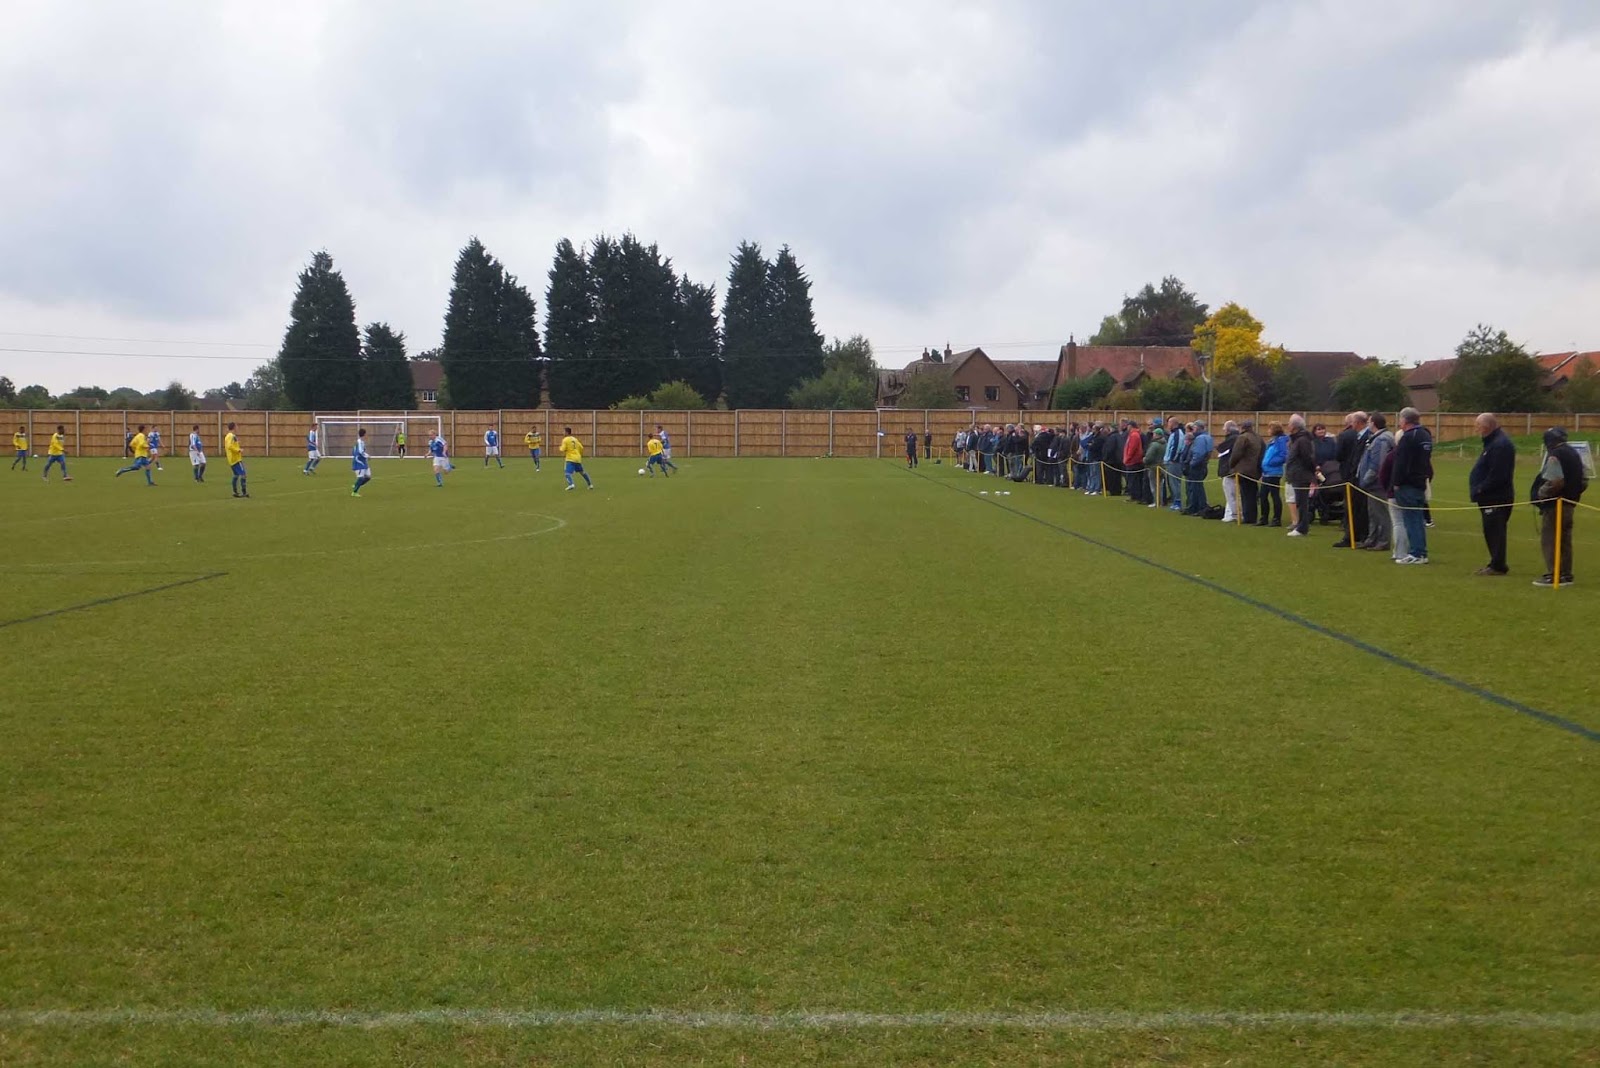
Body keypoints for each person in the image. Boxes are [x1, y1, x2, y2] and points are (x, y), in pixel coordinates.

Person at [1531, 427, 1585, 587]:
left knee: (1550, 539)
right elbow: (1584, 481)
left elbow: (1555, 481)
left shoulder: (1555, 455)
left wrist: (1541, 494)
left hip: (1555, 505)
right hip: (1570, 503)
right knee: (1565, 540)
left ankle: (1554, 574)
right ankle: (1566, 574)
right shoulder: (1574, 453)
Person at [1467, 413, 1516, 576]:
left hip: (1496, 497)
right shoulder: (1492, 443)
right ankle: (1495, 562)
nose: (1476, 429)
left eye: (1478, 425)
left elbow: (1498, 475)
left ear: (1486, 426)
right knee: (1491, 530)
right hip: (1489, 496)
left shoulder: (1500, 445)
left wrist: (1480, 488)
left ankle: (1498, 565)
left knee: (1495, 530)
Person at [1391, 407, 1432, 564]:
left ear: (1405, 420)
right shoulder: (1425, 435)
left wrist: (1396, 482)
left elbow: (1401, 462)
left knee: (1411, 519)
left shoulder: (1409, 437)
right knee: (1418, 519)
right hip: (1420, 481)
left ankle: (1417, 553)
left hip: (1408, 483)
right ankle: (1420, 551)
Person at [1356, 413, 1394, 552]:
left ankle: (1383, 541)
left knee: (1381, 513)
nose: (1368, 424)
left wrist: (1366, 480)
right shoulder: (1376, 438)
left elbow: (1378, 464)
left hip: (1377, 484)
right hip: (1372, 484)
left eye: (1369, 422)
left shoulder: (1381, 440)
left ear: (1374, 423)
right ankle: (1372, 539)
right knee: (1373, 513)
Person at [1284, 415, 1317, 536]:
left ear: (1294, 426)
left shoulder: (1302, 440)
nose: (1288, 426)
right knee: (1299, 501)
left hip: (1301, 474)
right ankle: (1300, 526)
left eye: (1289, 424)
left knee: (1302, 502)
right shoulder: (1296, 439)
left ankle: (1302, 528)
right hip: (1296, 473)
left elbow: (1307, 458)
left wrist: (1310, 471)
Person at [1232, 419, 1263, 525]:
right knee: (1253, 494)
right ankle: (1253, 516)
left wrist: (1231, 465)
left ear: (1243, 427)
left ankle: (1248, 516)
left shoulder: (1242, 437)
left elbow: (1236, 454)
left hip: (1244, 469)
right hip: (1255, 470)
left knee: (1245, 494)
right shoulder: (1258, 438)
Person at [1259, 423, 1286, 527]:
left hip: (1274, 473)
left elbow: (1283, 455)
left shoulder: (1280, 441)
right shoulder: (1272, 441)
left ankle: (1276, 519)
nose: (1268, 430)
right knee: (1263, 495)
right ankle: (1264, 517)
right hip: (1266, 472)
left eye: (1269, 428)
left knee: (1274, 496)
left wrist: (1271, 462)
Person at [1184, 421, 1213, 516]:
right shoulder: (1208, 437)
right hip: (1203, 466)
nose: (1193, 429)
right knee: (1198, 487)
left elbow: (1198, 454)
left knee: (1196, 488)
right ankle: (1198, 507)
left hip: (1197, 467)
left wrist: (1191, 464)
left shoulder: (1200, 439)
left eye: (1195, 427)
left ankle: (1197, 507)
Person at [1215, 421, 1240, 521]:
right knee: (1232, 493)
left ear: (1229, 429)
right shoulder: (1235, 438)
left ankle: (1234, 514)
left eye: (1225, 428)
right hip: (1230, 468)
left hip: (1229, 469)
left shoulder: (1232, 439)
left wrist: (1218, 446)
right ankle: (1231, 513)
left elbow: (1221, 448)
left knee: (1231, 493)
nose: (1223, 430)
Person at [1163, 417, 1186, 511]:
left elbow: (1177, 448)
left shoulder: (1178, 434)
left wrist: (1173, 459)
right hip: (1169, 461)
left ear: (1173, 424)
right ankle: (1175, 501)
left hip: (1174, 462)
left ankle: (1178, 502)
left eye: (1169, 423)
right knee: (1172, 483)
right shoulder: (1173, 434)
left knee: (1175, 482)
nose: (1168, 425)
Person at [1123, 420, 1146, 504]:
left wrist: (1127, 458)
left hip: (1133, 461)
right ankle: (1133, 495)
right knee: (1132, 480)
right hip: (1132, 460)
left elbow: (1132, 448)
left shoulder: (1134, 435)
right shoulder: (1133, 434)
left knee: (1134, 480)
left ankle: (1136, 496)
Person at [224, 421, 247, 498]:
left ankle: (235, 492)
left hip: (231, 459)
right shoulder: (232, 436)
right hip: (236, 459)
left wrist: (237, 444)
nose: (237, 427)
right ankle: (244, 492)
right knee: (243, 475)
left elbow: (230, 445)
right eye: (236, 426)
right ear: (233, 427)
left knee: (236, 475)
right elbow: (230, 446)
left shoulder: (227, 436)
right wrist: (238, 450)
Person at [351, 427, 373, 496]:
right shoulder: (359, 442)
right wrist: (367, 456)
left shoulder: (361, 442)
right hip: (359, 462)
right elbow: (360, 451)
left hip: (363, 461)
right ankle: (354, 492)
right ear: (364, 434)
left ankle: (356, 485)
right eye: (366, 434)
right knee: (360, 477)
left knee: (368, 477)